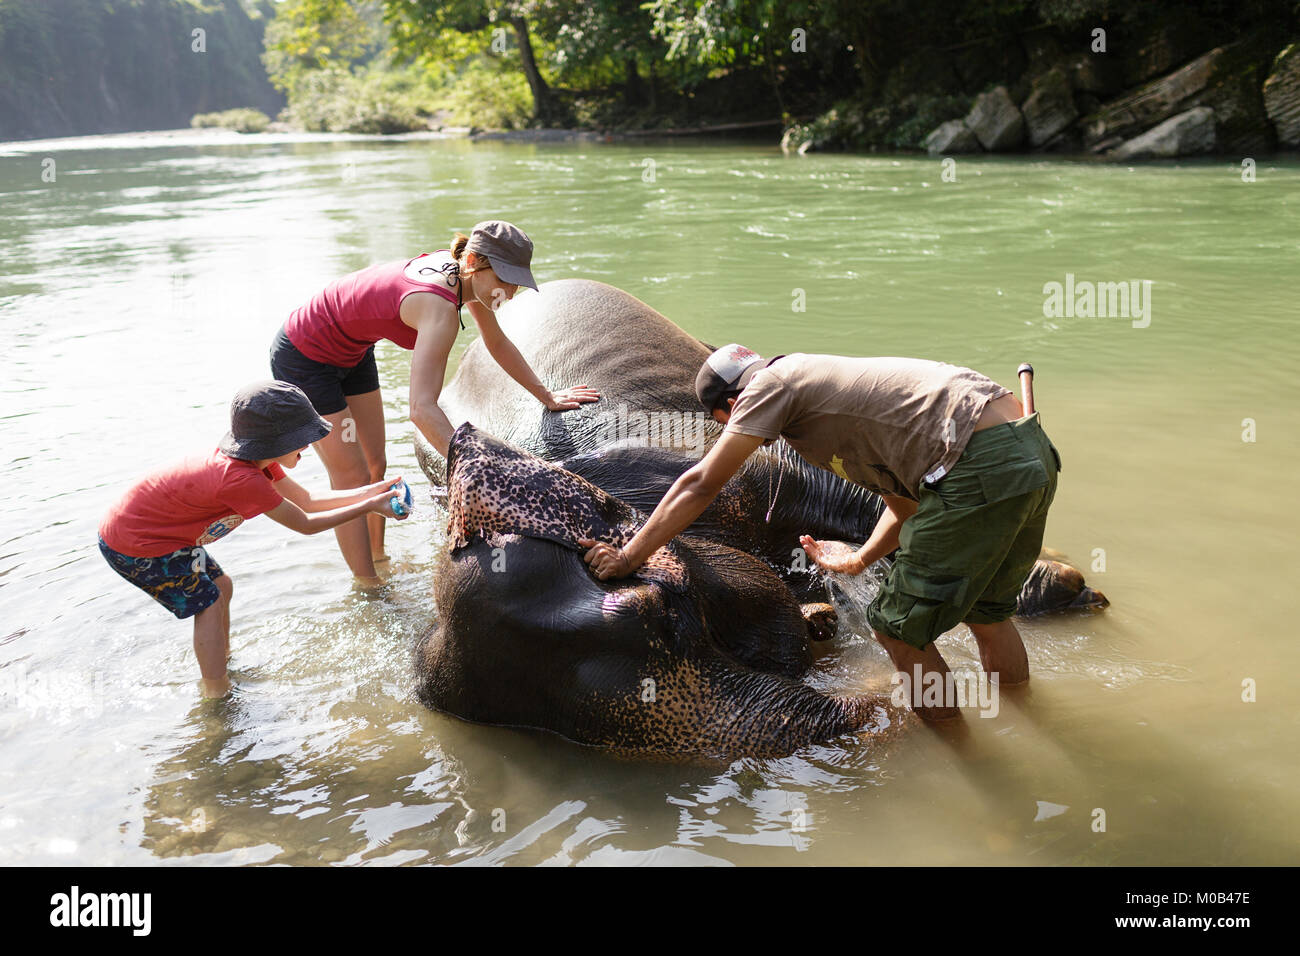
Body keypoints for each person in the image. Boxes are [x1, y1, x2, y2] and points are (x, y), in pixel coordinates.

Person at [580, 345, 1061, 720]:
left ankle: (962, 756)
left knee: (895, 628)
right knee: (988, 615)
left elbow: (701, 482)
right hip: (1027, 451)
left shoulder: (771, 386)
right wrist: (857, 560)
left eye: (724, 425)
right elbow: (905, 505)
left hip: (976, 465)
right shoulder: (823, 398)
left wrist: (630, 555)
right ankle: (1024, 720)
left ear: (732, 405)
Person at [270, 220, 600, 585]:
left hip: (352, 350)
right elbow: (421, 410)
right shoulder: (441, 306)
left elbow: (497, 342)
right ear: (474, 260)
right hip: (305, 353)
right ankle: (368, 584)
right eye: (504, 279)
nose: (510, 290)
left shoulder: (465, 279)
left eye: (516, 281)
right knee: (351, 473)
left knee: (375, 462)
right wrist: (481, 471)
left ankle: (378, 559)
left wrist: (546, 395)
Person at [98, 381, 410, 699]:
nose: (308, 446)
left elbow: (308, 499)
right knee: (207, 601)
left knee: (222, 586)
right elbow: (305, 523)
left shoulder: (261, 463)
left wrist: (375, 490)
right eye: (302, 439)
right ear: (275, 441)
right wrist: (372, 507)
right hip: (137, 544)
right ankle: (217, 693)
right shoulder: (241, 478)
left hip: (162, 535)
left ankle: (222, 661)